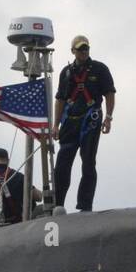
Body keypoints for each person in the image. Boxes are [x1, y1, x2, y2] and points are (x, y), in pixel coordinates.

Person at [52, 35, 115, 213]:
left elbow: (110, 93)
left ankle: (85, 205)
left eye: (86, 48)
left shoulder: (100, 69)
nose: (84, 51)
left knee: (88, 162)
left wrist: (108, 118)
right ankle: (58, 204)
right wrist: (56, 125)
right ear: (73, 51)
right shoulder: (66, 72)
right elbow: (60, 100)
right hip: (70, 121)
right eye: (80, 49)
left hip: (91, 120)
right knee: (63, 163)